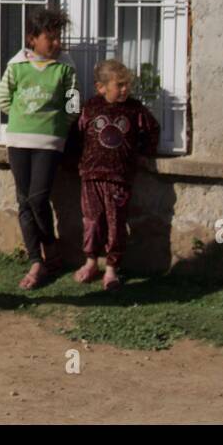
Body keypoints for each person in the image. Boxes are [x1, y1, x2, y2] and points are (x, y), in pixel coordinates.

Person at [0, 8, 79, 289]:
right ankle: (36, 261)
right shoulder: (16, 66)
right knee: (24, 202)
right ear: (32, 39)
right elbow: (3, 99)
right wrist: (24, 118)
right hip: (19, 141)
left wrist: (53, 126)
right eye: (50, 38)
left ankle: (51, 248)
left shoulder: (65, 68)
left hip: (50, 143)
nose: (57, 44)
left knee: (37, 198)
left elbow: (72, 107)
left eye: (59, 38)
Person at [70, 59, 160, 290]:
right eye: (119, 85)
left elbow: (152, 129)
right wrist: (75, 162)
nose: (124, 89)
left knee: (116, 223)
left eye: (127, 84)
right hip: (91, 175)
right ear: (101, 87)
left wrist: (142, 154)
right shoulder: (90, 108)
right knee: (92, 221)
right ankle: (90, 261)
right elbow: (76, 135)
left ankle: (111, 268)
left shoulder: (134, 109)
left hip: (119, 177)